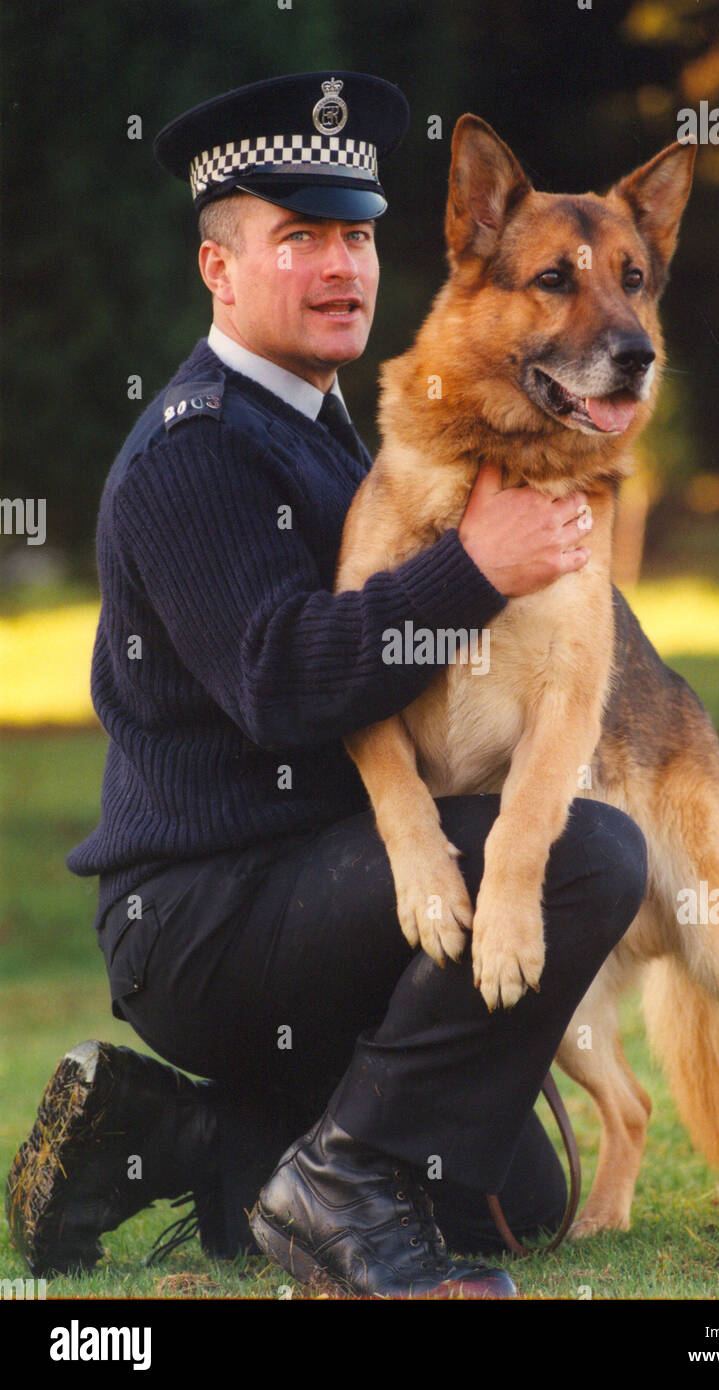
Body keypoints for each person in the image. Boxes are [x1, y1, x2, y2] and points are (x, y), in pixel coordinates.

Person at [5, 72, 647, 1300]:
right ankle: (339, 1186)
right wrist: (472, 568)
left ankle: (167, 1132)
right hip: (202, 914)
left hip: (327, 881)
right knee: (587, 858)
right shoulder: (192, 453)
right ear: (218, 271)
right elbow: (283, 684)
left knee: (514, 1195)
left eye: (353, 234)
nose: (341, 265)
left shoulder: (324, 424)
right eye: (296, 239)